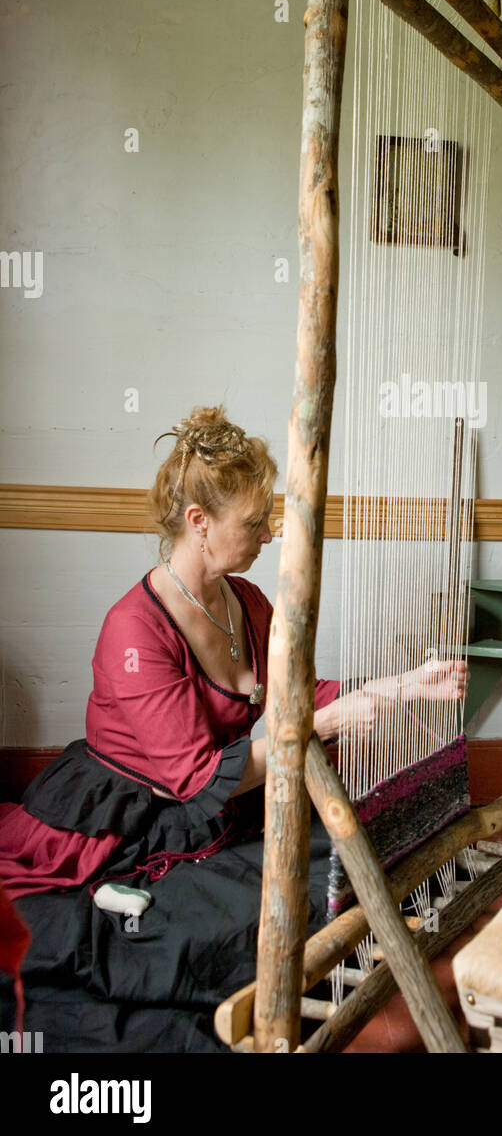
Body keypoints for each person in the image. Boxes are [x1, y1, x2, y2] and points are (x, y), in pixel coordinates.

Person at [0, 404, 466, 1052]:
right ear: (199, 523)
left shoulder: (243, 602)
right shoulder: (133, 629)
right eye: (253, 521)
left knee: (358, 852)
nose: (270, 532)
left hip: (227, 793)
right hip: (138, 819)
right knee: (223, 927)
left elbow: (284, 694)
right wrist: (324, 723)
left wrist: (401, 685)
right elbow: (193, 780)